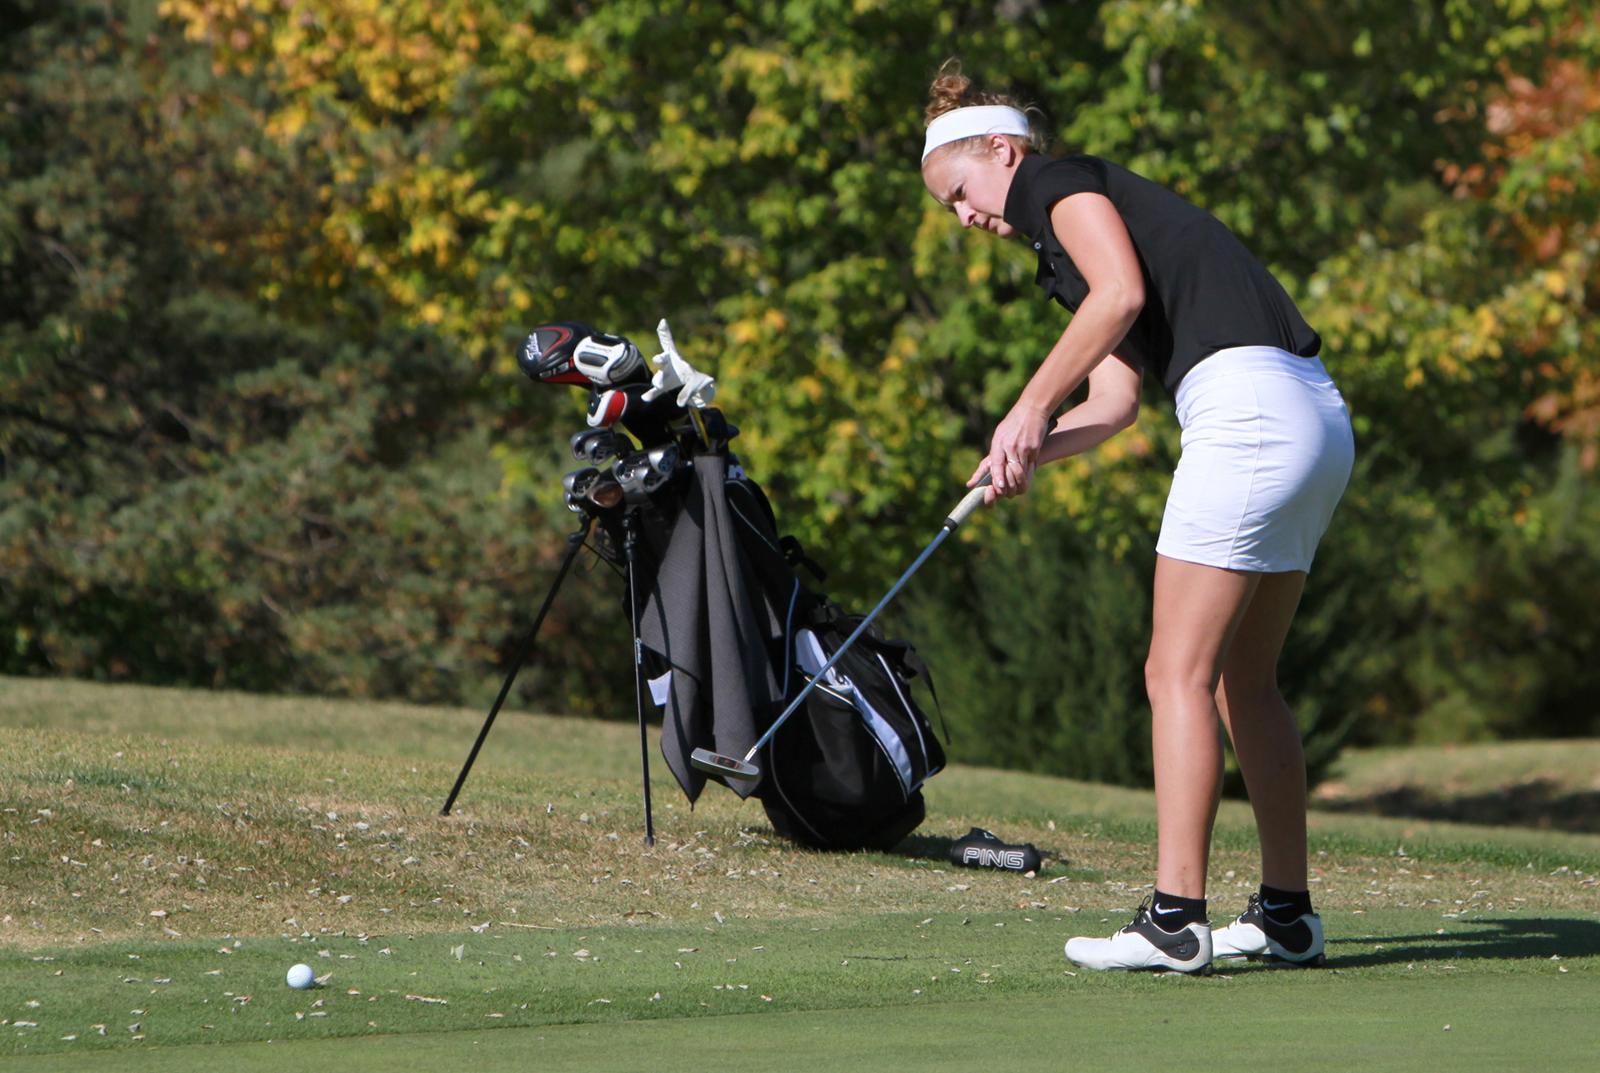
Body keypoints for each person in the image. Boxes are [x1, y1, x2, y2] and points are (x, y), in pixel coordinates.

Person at [920, 67, 1355, 974]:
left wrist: (1029, 405)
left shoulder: (1054, 182)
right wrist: (1033, 447)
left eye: (961, 193)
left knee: (1174, 671)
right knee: (1244, 679)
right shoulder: (1065, 250)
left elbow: (1120, 294)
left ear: (1001, 150)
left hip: (1248, 411)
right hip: (1310, 415)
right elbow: (1115, 401)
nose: (964, 217)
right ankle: (1285, 914)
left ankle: (1174, 918)